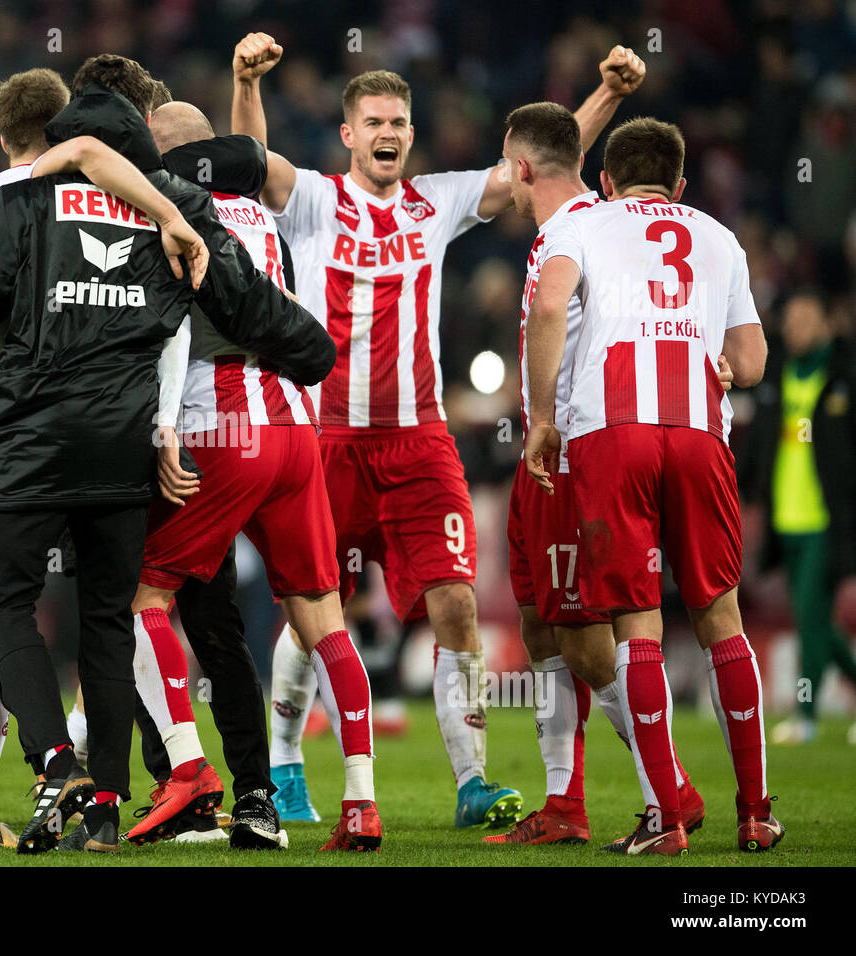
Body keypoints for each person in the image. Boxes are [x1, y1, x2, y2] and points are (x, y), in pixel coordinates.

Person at [0, 74, 334, 854]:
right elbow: (249, 305)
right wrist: (313, 353)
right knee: (106, 626)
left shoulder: (24, 199)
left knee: (4, 607)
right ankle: (104, 810)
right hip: (122, 450)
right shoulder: (179, 212)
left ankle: (53, 762)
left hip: (28, 439)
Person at [229, 31, 646, 827]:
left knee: (455, 601)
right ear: (348, 134)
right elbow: (250, 161)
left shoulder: (437, 202)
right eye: (373, 122)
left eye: (399, 121)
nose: (387, 133)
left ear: (410, 134)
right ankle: (285, 772)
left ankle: (472, 782)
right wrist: (246, 81)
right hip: (325, 439)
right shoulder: (314, 200)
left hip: (419, 442)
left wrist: (609, 96)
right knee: (316, 610)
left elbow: (545, 164)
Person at [123, 99, 380, 852]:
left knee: (145, 596)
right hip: (299, 430)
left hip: (221, 421)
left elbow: (172, 326)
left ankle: (188, 768)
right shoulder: (260, 217)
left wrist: (165, 428)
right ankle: (360, 801)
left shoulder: (171, 209)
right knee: (322, 618)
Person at [524, 116, 778, 854]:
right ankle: (756, 813)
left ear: (605, 180)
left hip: (613, 430)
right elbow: (753, 359)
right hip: (699, 430)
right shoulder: (718, 235)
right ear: (681, 184)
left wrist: (543, 417)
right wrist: (721, 365)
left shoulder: (588, 224)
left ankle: (668, 818)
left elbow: (547, 307)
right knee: (720, 617)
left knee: (638, 620)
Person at [486, 103, 710, 846]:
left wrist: (549, 423)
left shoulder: (586, 229)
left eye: (508, 171)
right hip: (540, 453)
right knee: (541, 625)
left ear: (521, 169)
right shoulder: (580, 222)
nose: (506, 188)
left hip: (580, 452)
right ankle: (563, 804)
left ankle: (666, 787)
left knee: (586, 640)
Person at [740, 290, 856, 746]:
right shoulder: (777, 376)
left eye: (805, 318)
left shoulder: (843, 376)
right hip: (784, 518)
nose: (795, 327)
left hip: (826, 520)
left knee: (810, 617)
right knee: (816, 622)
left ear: (826, 322)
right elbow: (757, 448)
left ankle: (806, 714)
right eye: (791, 319)